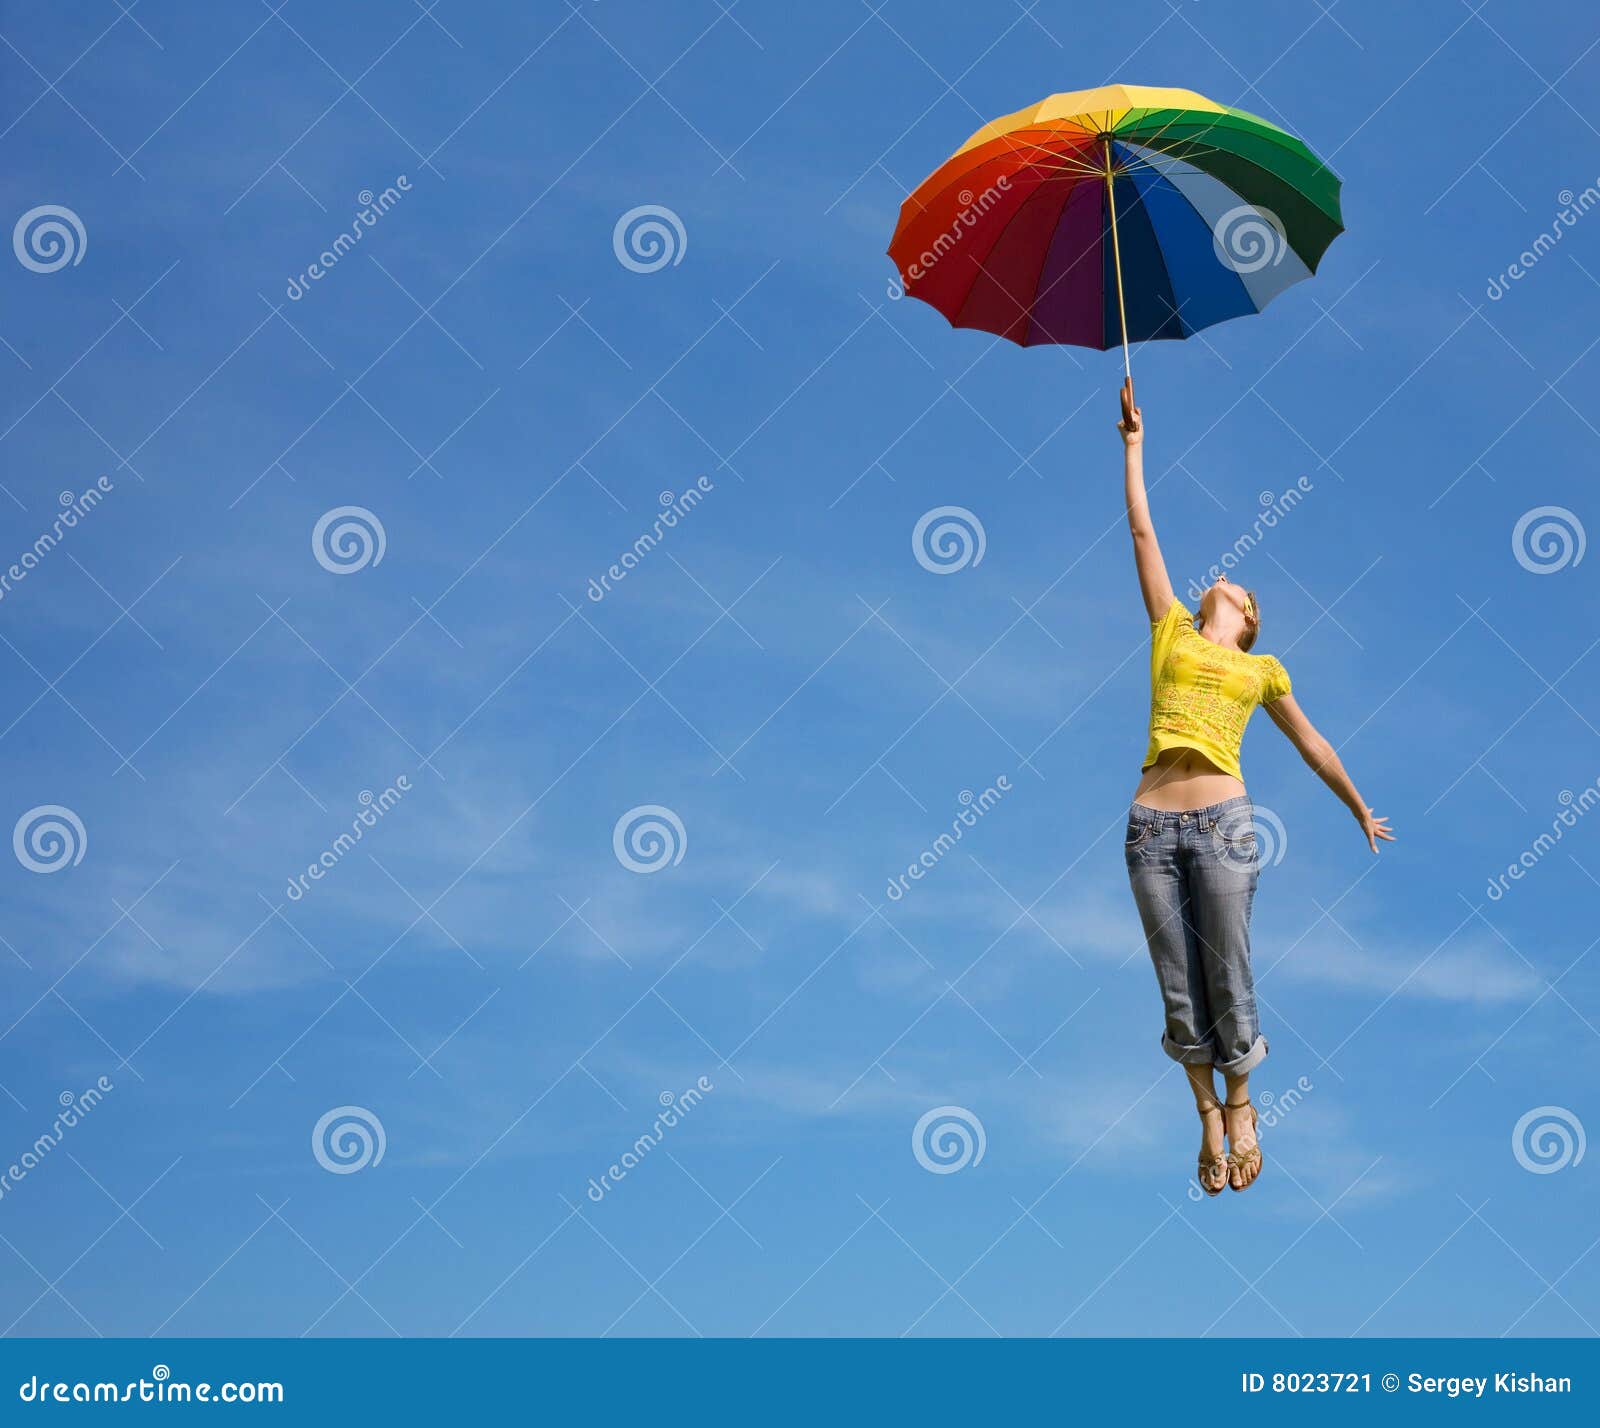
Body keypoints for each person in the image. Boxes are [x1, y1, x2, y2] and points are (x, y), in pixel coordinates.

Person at [1117, 381, 1393, 1195]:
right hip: (1147, 829)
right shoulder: (1171, 625)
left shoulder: (1259, 668)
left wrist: (1355, 805)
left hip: (1223, 824)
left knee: (1227, 972)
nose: (1225, 580)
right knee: (1178, 984)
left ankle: (1242, 1102)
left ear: (1247, 619)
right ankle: (1206, 1116)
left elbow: (1311, 741)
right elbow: (1141, 529)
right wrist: (1134, 446)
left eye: (1238, 588)